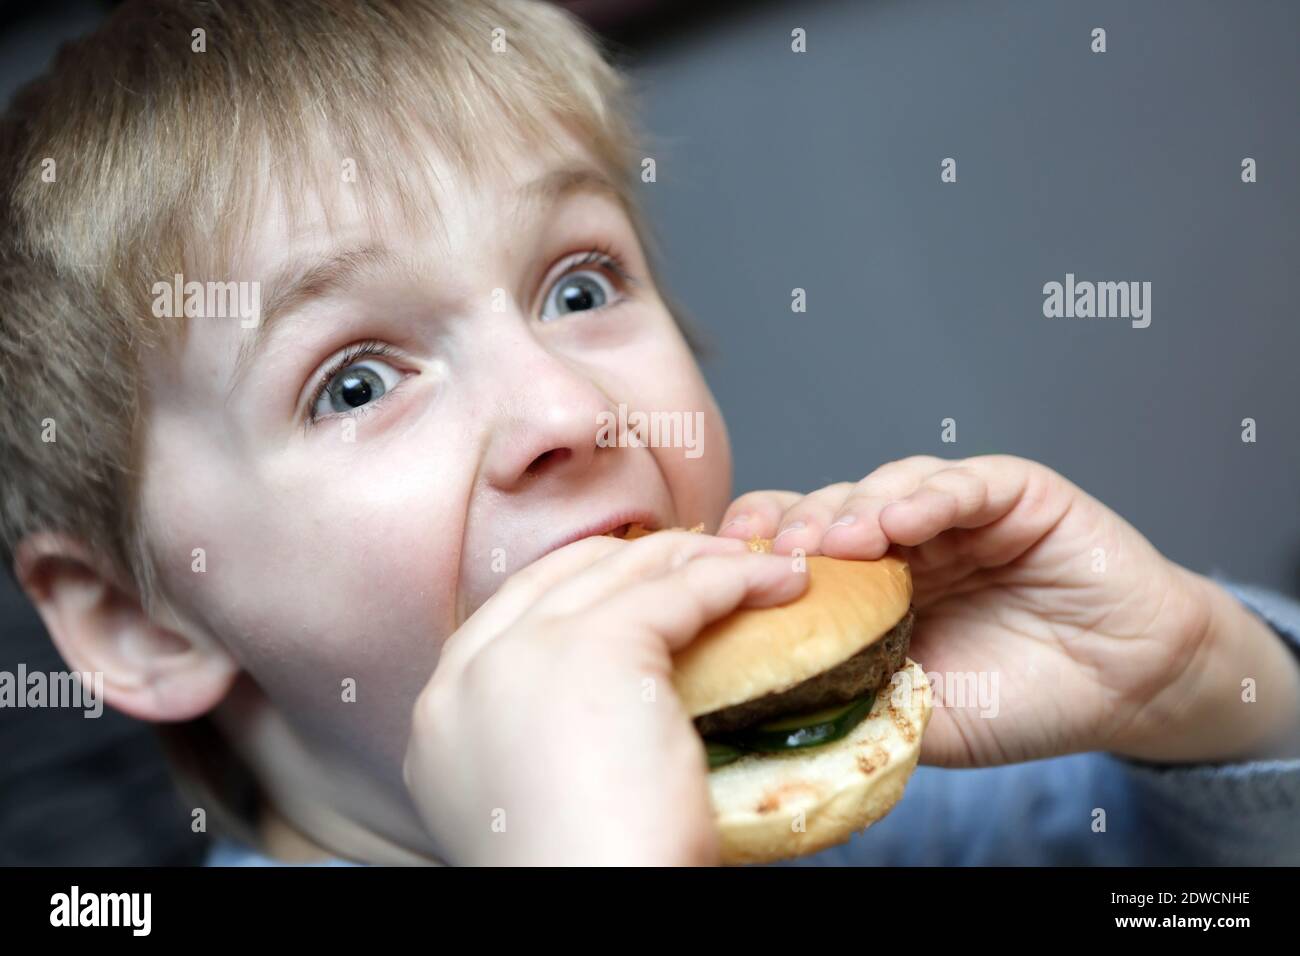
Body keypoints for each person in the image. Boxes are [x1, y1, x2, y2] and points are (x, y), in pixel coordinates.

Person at [3, 0, 1297, 866]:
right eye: (354, 382)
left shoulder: (868, 799)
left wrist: (1209, 689)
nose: (571, 411)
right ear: (140, 619)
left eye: (580, 287)